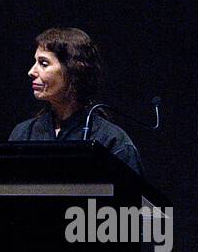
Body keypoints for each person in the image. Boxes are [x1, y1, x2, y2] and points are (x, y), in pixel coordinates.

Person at [9, 27, 142, 173]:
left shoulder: (111, 141)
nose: (31, 72)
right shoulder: (23, 134)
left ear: (75, 70)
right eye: (35, 62)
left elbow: (129, 194)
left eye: (44, 64)